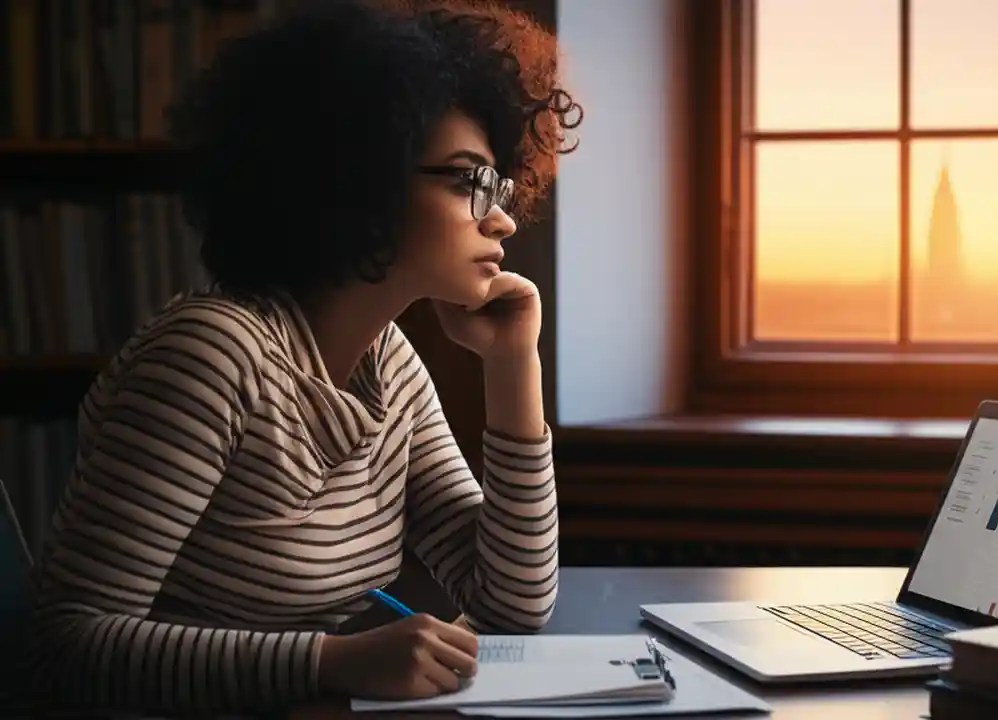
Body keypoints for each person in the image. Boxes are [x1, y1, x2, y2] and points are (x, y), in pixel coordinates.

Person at [23, 0, 582, 715]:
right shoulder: (211, 357)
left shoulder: (390, 365)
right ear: (357, 177)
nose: (500, 217)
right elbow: (66, 645)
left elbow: (511, 603)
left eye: (497, 187)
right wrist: (332, 662)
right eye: (466, 181)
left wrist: (513, 366)